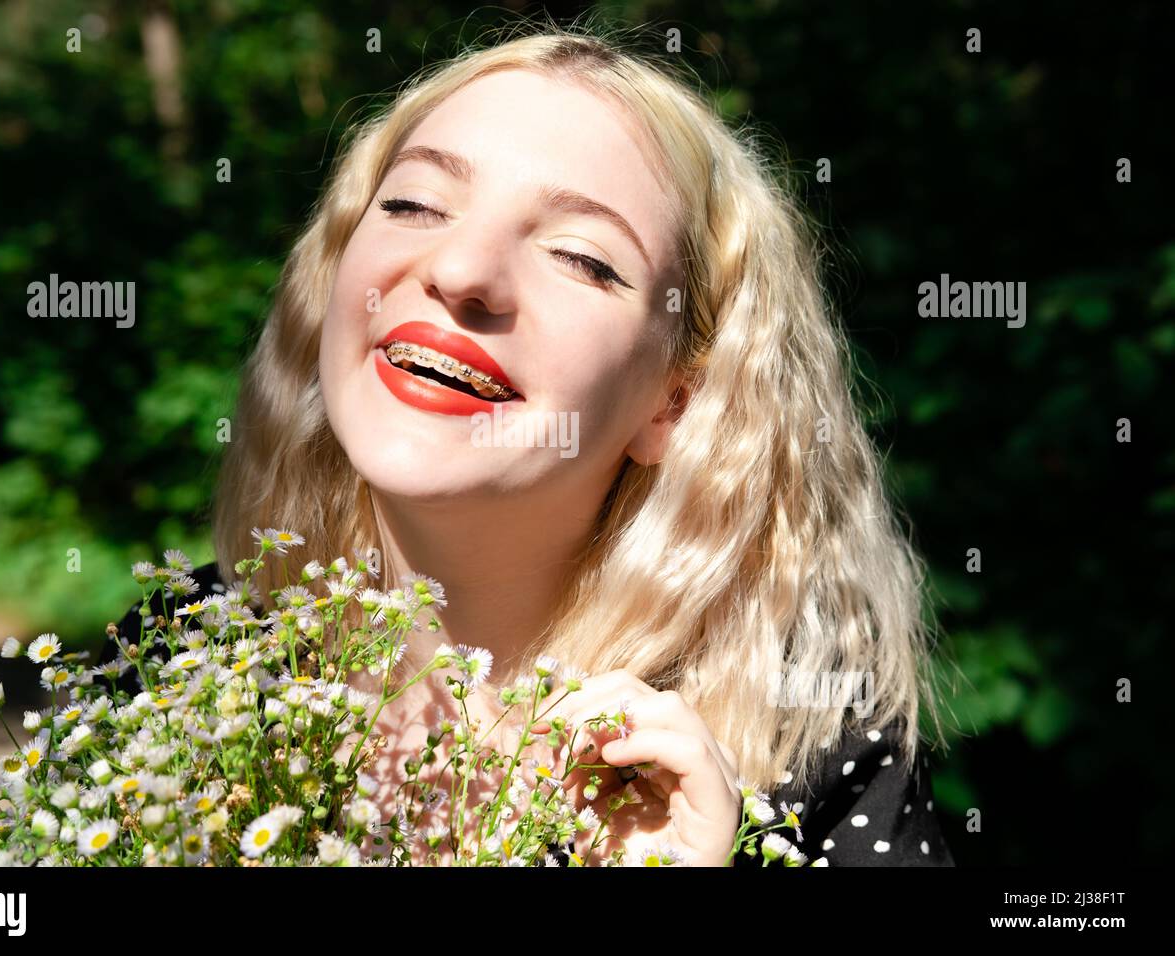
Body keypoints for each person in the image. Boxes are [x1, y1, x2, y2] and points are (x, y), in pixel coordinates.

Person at [105, 25, 956, 866]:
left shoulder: (802, 759)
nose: (464, 268)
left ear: (675, 403)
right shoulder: (176, 668)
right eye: (413, 204)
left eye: (582, 258)